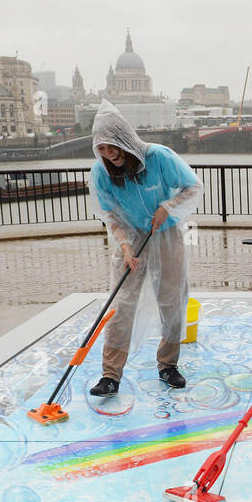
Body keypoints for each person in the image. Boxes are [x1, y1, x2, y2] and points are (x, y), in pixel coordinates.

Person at [87, 99, 203, 395]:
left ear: (125, 140)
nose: (108, 154)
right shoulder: (101, 173)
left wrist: (168, 207)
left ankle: (168, 364)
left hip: (165, 233)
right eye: (101, 148)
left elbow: (193, 188)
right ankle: (110, 374)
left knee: (172, 299)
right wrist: (125, 246)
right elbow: (110, 214)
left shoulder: (160, 157)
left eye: (112, 146)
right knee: (121, 304)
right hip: (132, 237)